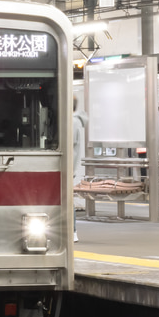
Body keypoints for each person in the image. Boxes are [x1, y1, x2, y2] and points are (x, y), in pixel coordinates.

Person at [72, 97, 87, 242]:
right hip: (71, 167)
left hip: (68, 167)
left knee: (67, 201)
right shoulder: (75, 121)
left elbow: (68, 144)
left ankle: (73, 231)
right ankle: (72, 230)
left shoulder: (72, 121)